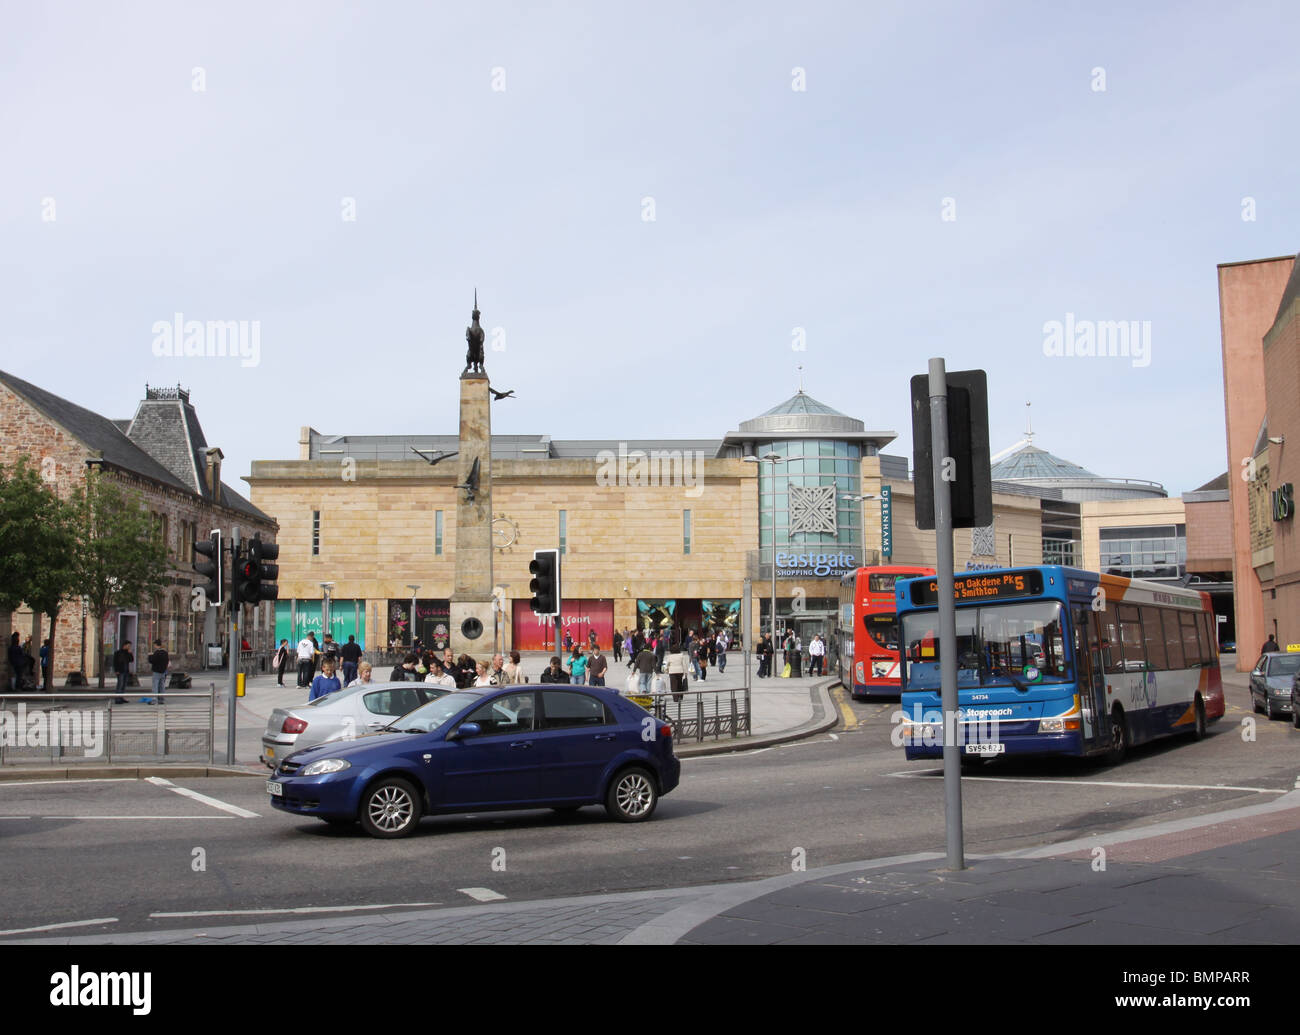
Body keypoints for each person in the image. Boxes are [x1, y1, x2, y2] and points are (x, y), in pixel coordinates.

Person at [148, 639, 169, 705]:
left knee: (155, 686)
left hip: (156, 671)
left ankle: (154, 700)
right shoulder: (165, 652)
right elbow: (167, 661)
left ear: (156, 645)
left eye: (154, 645)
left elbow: (152, 660)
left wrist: (150, 657)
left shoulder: (157, 652)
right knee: (162, 686)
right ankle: (161, 699)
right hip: (163, 671)